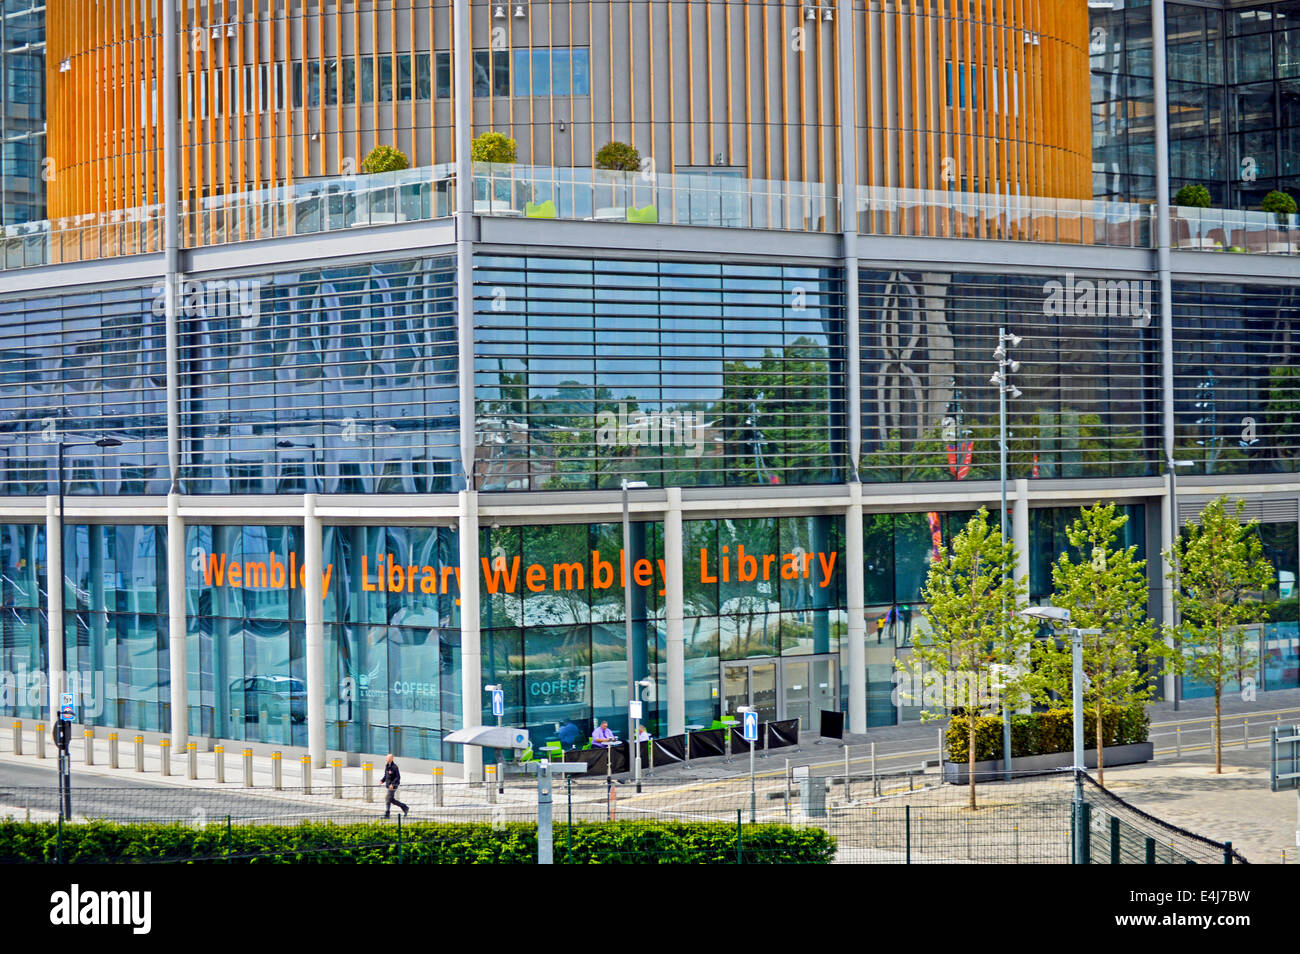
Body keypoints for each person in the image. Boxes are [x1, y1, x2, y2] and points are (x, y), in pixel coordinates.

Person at [380, 753, 409, 818]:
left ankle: (387, 814)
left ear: (391, 759)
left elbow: (398, 777)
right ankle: (404, 807)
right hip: (388, 785)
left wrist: (392, 784)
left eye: (387, 758)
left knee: (388, 798)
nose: (386, 759)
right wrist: (382, 780)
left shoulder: (394, 767)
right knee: (391, 799)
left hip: (393, 786)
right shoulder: (387, 766)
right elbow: (386, 775)